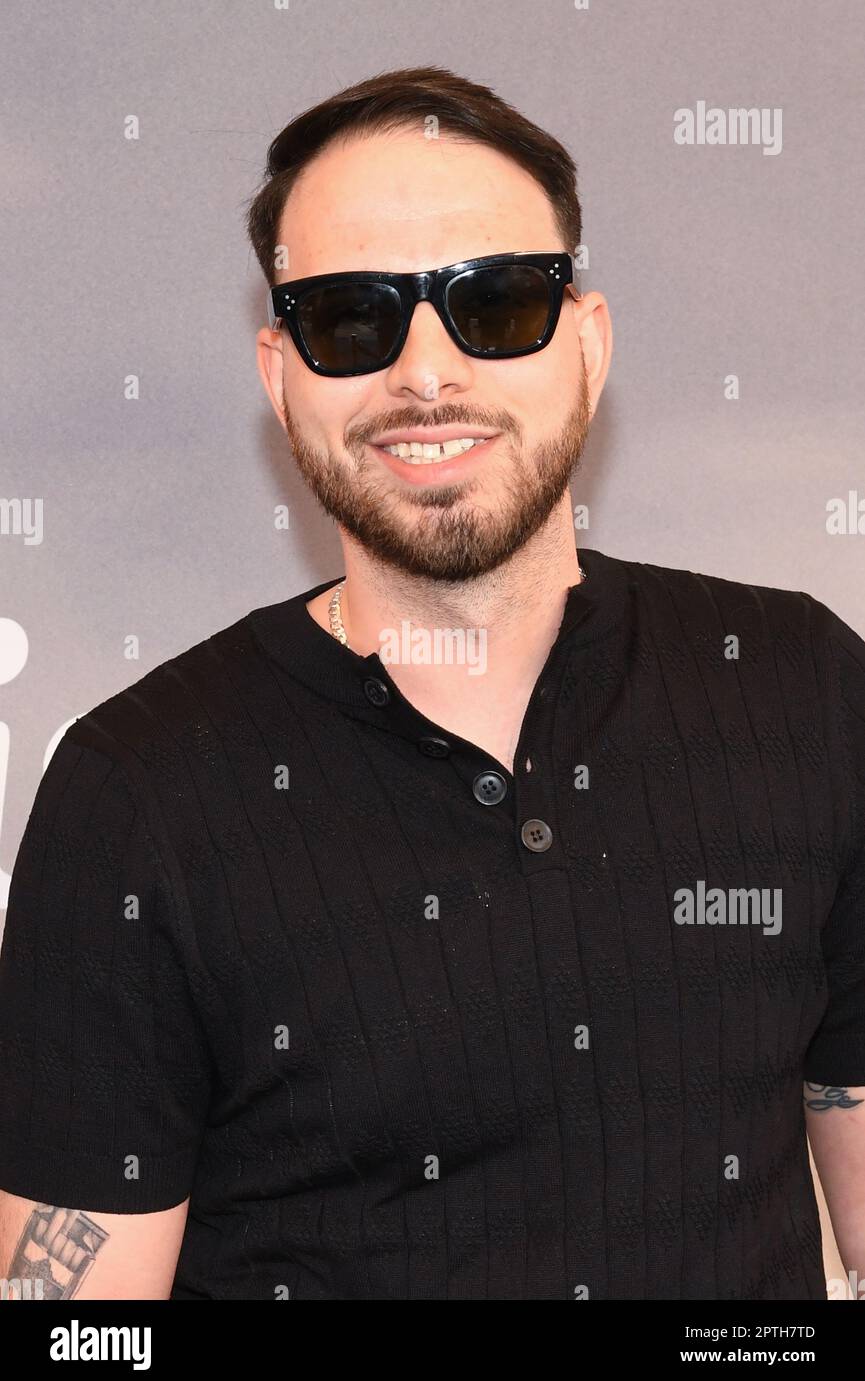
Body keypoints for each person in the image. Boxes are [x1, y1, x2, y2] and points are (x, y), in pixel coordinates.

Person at [1, 65, 863, 1301]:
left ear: (589, 343)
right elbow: (71, 1331)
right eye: (353, 318)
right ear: (279, 372)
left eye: (497, 303)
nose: (425, 374)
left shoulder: (802, 688)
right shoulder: (135, 791)